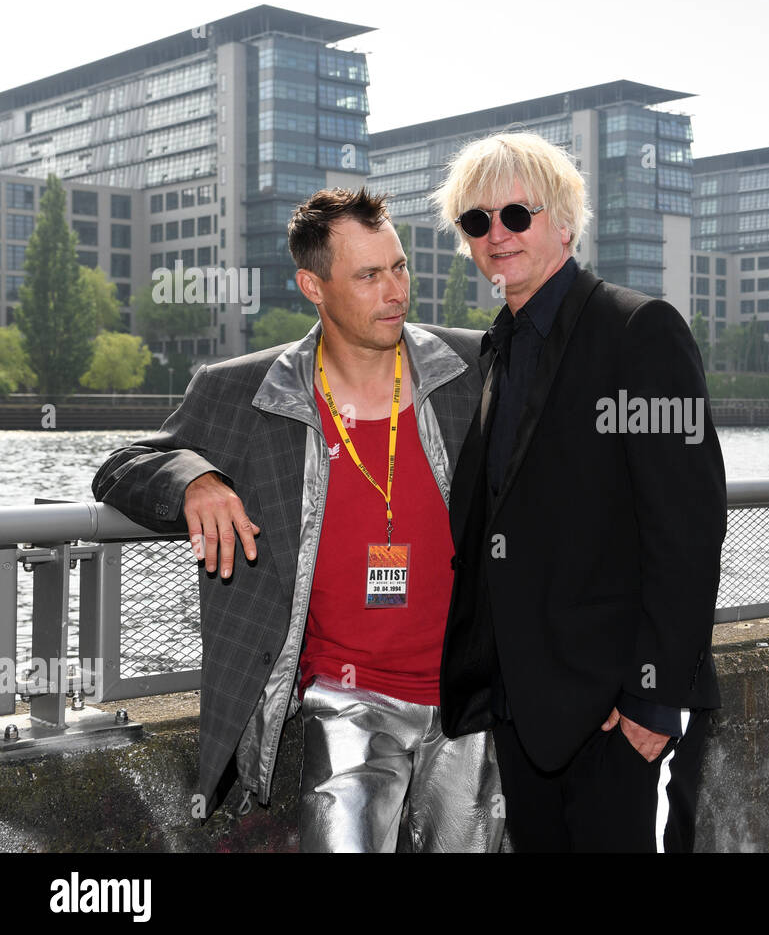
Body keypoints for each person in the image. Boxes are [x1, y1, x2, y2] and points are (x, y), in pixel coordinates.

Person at [92, 188, 502, 852]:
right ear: (313, 285)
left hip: (473, 699)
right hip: (346, 702)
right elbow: (121, 464)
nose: (395, 290)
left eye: (398, 267)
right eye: (369, 275)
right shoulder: (245, 390)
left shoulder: (476, 367)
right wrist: (194, 477)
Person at [432, 132, 727, 852]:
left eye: (516, 215)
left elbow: (687, 529)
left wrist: (651, 704)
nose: (496, 235)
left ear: (564, 221)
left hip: (619, 714)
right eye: (477, 222)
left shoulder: (638, 330)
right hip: (527, 709)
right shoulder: (497, 348)